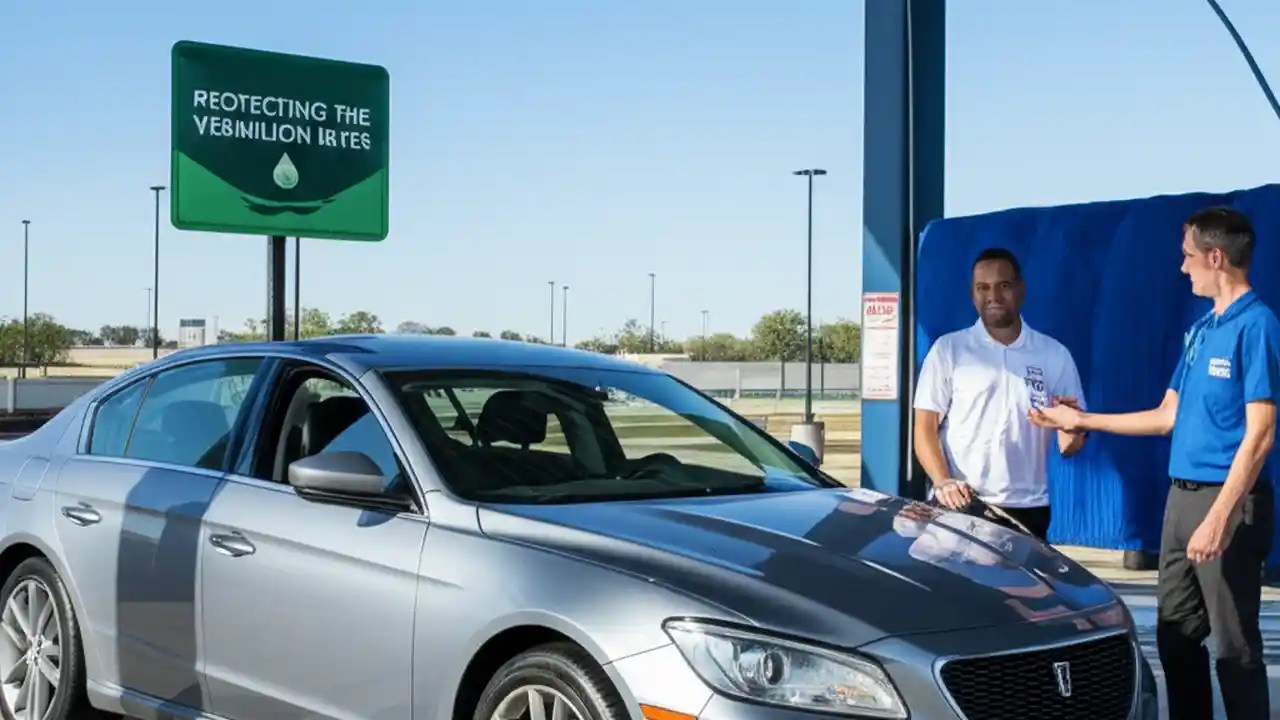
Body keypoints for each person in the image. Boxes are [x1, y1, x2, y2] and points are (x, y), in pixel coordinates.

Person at [1030, 206, 1277, 720]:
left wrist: (1218, 518)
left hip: (1226, 504)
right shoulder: (1201, 330)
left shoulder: (1257, 327)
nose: (1182, 267)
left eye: (1188, 257)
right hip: (1181, 500)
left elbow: (1260, 434)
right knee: (1178, 637)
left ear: (1215, 256)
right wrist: (1081, 421)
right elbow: (1166, 417)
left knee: (1233, 648)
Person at [912, 247, 1088, 542]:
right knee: (958, 589)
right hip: (961, 504)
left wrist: (1071, 430)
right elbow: (924, 428)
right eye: (983, 288)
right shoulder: (949, 350)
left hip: (1029, 510)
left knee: (1020, 590)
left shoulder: (1053, 354)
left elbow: (1069, 445)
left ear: (1021, 289)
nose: (992, 296)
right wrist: (943, 482)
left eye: (1003, 285)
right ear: (972, 294)